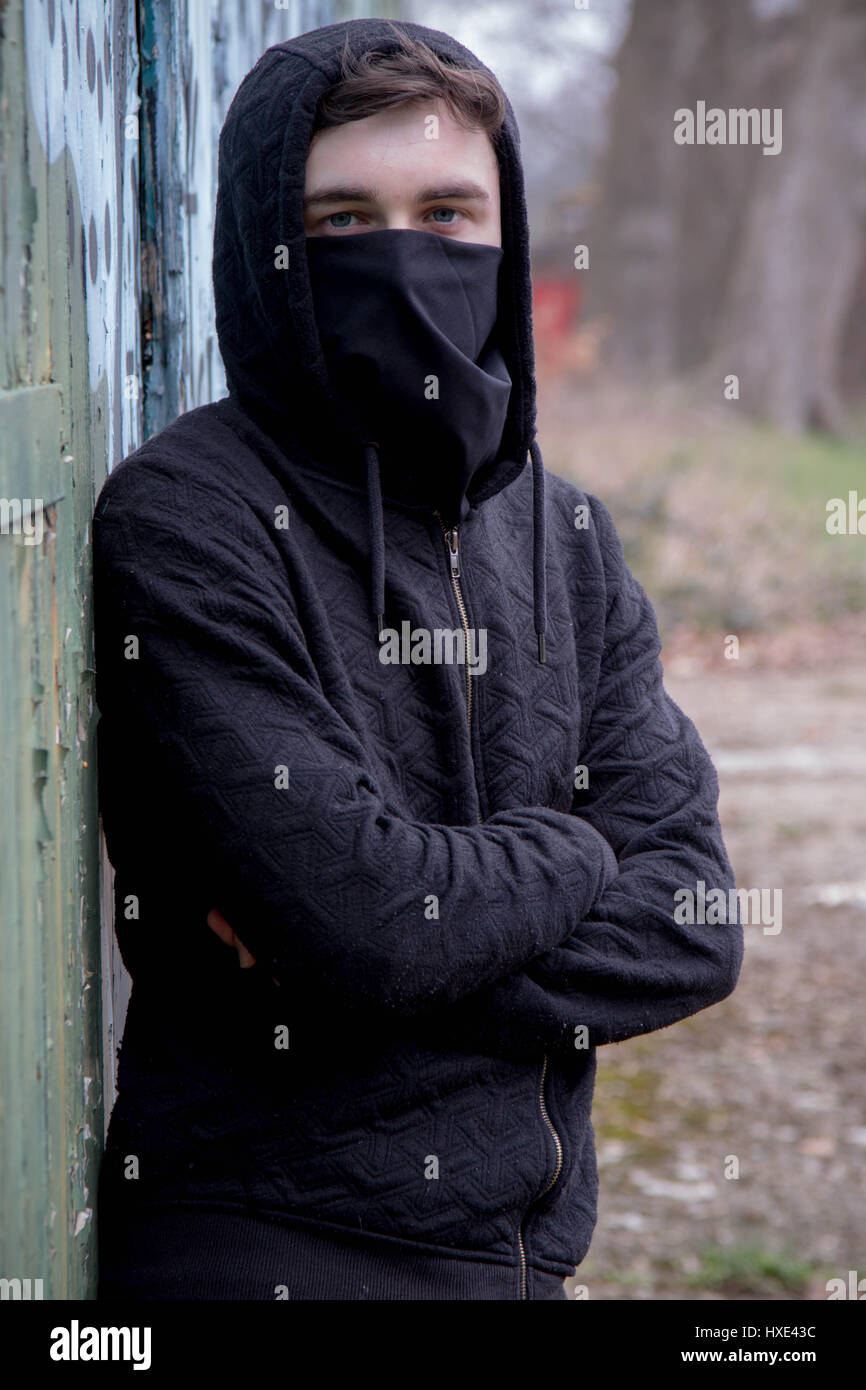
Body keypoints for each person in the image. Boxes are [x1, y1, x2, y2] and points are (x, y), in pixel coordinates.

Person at [93, 17, 743, 1302]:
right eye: (341, 222)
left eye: (446, 213)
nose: (401, 257)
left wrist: (368, 942)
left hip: (517, 1265)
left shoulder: (565, 537)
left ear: (503, 245)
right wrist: (580, 849)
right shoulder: (185, 516)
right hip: (264, 1246)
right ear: (262, 248)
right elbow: (374, 925)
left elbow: (696, 925)